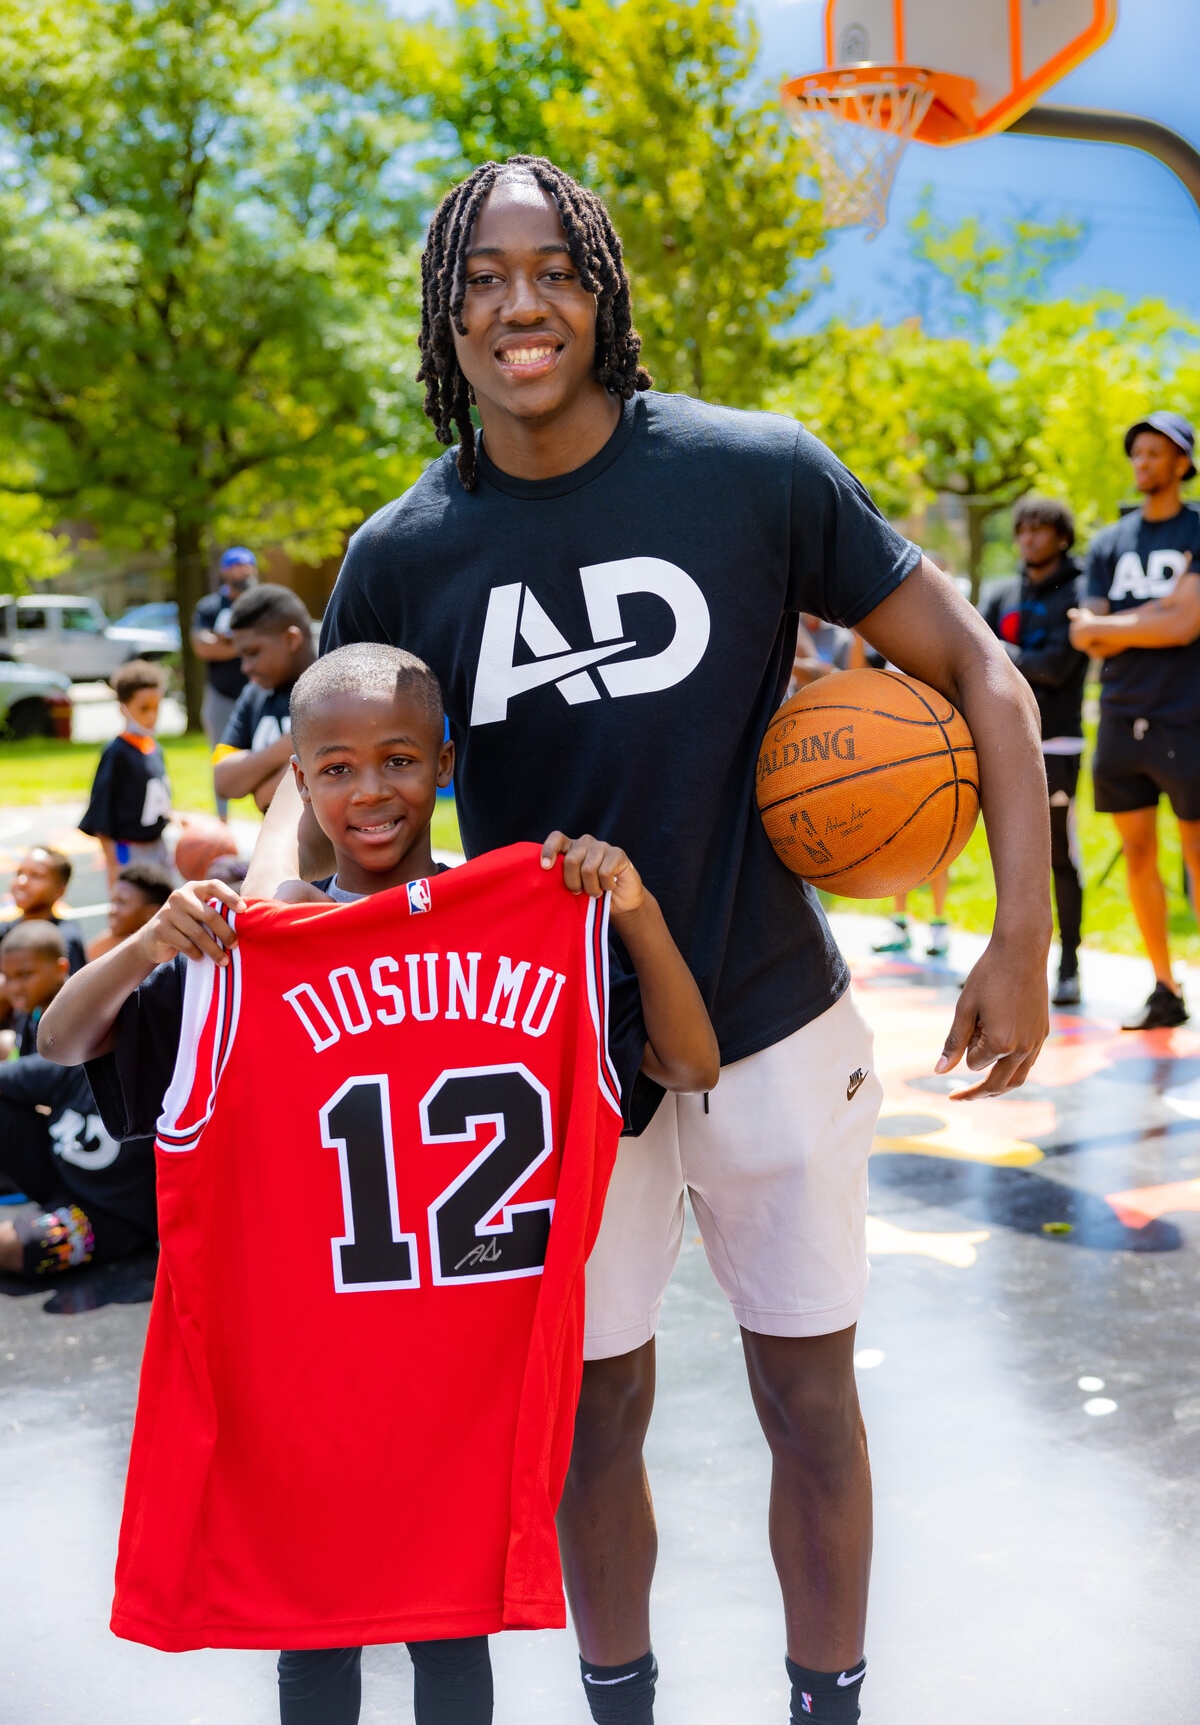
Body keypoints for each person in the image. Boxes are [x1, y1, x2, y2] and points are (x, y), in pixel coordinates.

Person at [306, 155, 1049, 1725]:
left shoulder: (752, 469)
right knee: (591, 1416)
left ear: (603, 292)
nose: (523, 304)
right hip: (551, 1056)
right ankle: (621, 1700)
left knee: (809, 1400)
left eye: (554, 270)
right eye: (485, 278)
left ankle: (824, 1700)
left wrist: (1021, 932)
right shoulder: (402, 552)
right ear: (445, 316)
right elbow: (356, 813)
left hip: (770, 1012)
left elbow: (986, 670)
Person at [40, 641, 717, 1725]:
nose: (372, 790)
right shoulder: (248, 951)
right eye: (339, 767)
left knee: (451, 1643)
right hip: (311, 1379)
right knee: (315, 1645)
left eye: (399, 760)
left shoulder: (537, 927)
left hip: (462, 1376)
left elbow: (689, 1066)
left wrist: (632, 907)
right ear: (299, 780)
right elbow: (65, 1034)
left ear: (444, 762)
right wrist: (143, 945)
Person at [1070, 412, 1200, 1030]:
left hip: (1188, 718)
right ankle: (1165, 988)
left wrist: (1118, 626)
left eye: (1156, 453)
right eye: (1137, 453)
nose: (1143, 462)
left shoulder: (1198, 529)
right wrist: (1157, 613)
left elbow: (1185, 626)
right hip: (1122, 719)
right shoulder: (1108, 543)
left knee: (1197, 857)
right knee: (1138, 853)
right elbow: (1085, 636)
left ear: (1182, 462)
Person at [0, 921, 155, 1279]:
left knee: (16, 1248)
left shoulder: (167, 1074)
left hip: (113, 1217)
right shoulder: (72, 1058)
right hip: (58, 1177)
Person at [982, 496, 1089, 1006]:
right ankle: (1006, 966)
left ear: (1061, 536)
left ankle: (1069, 963)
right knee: (1008, 858)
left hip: (1059, 742)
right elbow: (968, 653)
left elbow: (1058, 666)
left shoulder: (1081, 588)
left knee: (1059, 857)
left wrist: (997, 655)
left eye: (1039, 529)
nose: (1028, 538)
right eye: (1022, 529)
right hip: (1001, 741)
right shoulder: (1003, 592)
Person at [212, 584, 315, 814]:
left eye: (254, 652)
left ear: (291, 639)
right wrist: (296, 742)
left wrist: (261, 782)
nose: (245, 667)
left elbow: (266, 798)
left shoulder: (334, 689)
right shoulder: (254, 694)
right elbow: (223, 779)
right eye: (242, 656)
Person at [79, 660, 173, 890]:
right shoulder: (116, 752)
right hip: (129, 849)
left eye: (156, 707)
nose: (152, 716)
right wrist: (112, 861)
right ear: (123, 707)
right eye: (143, 708)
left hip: (158, 845)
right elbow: (101, 812)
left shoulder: (154, 748)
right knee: (134, 907)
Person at [191, 547, 258, 820]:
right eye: (235, 566)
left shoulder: (260, 603)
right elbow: (203, 647)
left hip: (256, 693)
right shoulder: (209, 607)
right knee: (220, 758)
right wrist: (246, 643)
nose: (241, 571)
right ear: (223, 570)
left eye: (246, 566)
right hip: (220, 695)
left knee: (267, 758)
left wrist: (227, 640)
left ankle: (270, 823)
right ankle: (222, 825)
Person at [0, 846, 86, 975]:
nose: (21, 882)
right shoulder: (4, 932)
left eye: (36, 875)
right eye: (19, 873)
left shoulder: (64, 939)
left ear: (59, 890)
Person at [86, 861, 175, 962]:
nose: (112, 910)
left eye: (122, 902)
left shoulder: (171, 961)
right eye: (113, 901)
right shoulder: (103, 947)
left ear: (151, 913)